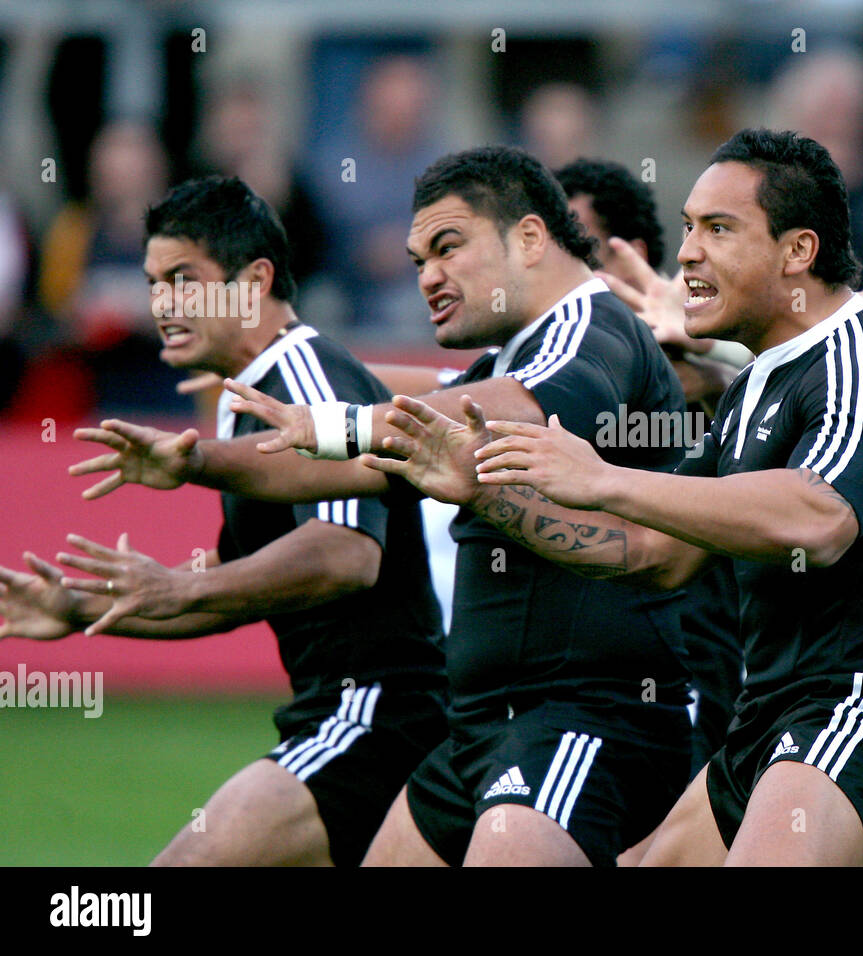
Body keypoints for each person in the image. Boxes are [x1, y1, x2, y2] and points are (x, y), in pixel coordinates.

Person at [70, 148, 696, 867]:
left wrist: (339, 423)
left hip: (579, 718)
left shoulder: (590, 327)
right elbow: (360, 461)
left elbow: (478, 420)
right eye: (418, 257)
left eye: (448, 247)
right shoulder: (507, 360)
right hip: (480, 730)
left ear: (528, 238)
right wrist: (196, 463)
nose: (428, 275)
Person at [363, 128, 863, 867]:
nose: (686, 253)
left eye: (718, 229)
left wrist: (605, 478)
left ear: (798, 251)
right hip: (767, 722)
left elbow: (818, 518)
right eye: (687, 228)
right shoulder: (755, 385)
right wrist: (489, 499)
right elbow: (657, 554)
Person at [0, 176, 448, 867]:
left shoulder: (306, 383)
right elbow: (235, 591)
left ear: (253, 281)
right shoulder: (248, 401)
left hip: (379, 717)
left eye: (184, 278)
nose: (163, 304)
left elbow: (346, 553)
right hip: (350, 716)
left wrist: (188, 589)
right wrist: (76, 605)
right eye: (153, 281)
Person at [555, 157, 743, 780]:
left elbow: (756, 383)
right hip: (574, 669)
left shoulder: (700, 363)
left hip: (680, 659)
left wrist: (710, 362)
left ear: (627, 253)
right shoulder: (545, 363)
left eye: (574, 247)